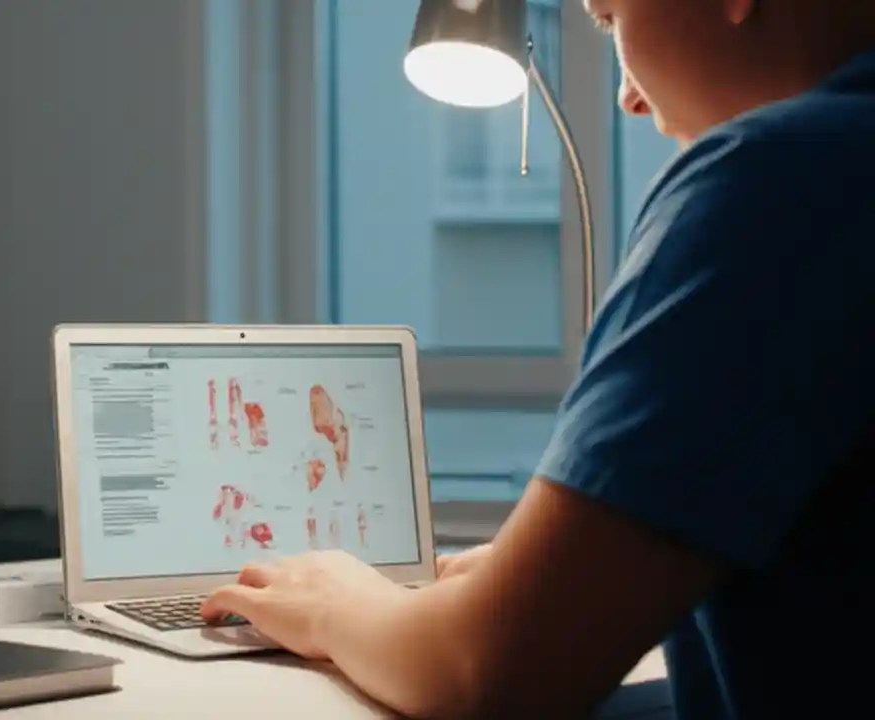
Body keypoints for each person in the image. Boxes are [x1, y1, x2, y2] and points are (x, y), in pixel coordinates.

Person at [200, 1, 875, 718]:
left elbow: (486, 673)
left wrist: (336, 603)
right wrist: (562, 571)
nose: (629, 97)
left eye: (610, 21)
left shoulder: (775, 181)